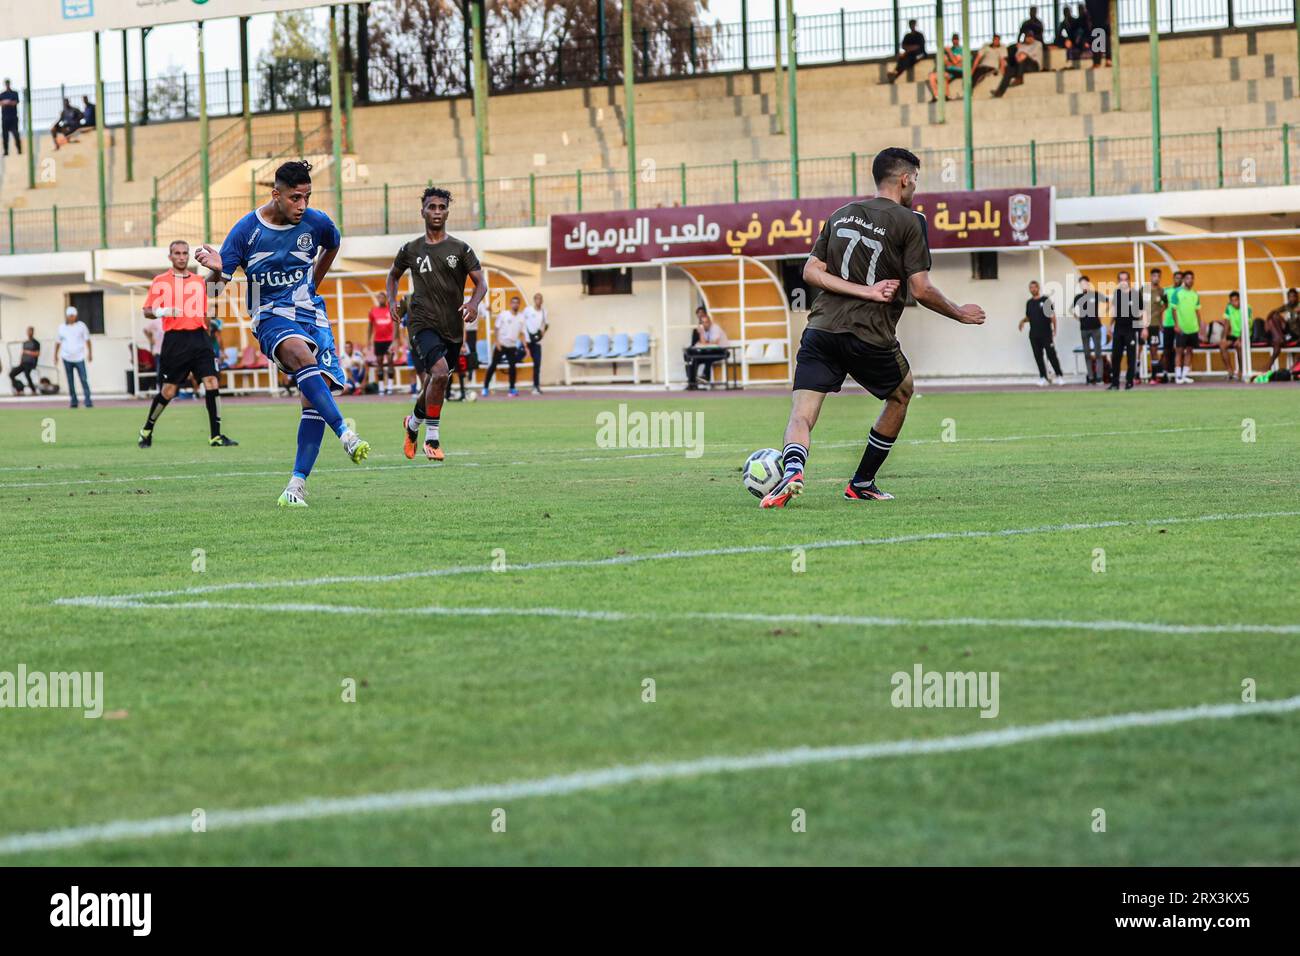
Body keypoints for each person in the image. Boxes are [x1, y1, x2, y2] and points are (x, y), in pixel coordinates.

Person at [761, 147, 985, 509]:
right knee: (901, 394)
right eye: (916, 179)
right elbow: (921, 289)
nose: (916, 185)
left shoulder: (840, 214)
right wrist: (960, 313)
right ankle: (862, 482)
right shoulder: (911, 221)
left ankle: (793, 470)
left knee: (801, 412)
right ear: (905, 179)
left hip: (821, 330)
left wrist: (859, 288)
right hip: (869, 334)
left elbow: (811, 271)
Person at [195, 160, 370, 507]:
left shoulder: (316, 222)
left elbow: (333, 243)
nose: (301, 205)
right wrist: (216, 272)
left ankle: (296, 486)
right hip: (270, 314)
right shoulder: (246, 231)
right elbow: (214, 293)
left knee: (314, 400)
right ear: (276, 194)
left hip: (311, 315)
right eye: (294, 198)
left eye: (306, 196)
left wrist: (313, 283)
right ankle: (346, 435)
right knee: (302, 358)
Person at [386, 186, 486, 461]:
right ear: (423, 212)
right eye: (432, 207)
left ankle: (412, 424)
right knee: (440, 373)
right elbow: (393, 276)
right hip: (421, 322)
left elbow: (481, 283)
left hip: (453, 328)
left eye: (442, 207)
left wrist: (473, 303)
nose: (437, 212)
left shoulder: (460, 249)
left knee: (435, 380)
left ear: (447, 212)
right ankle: (432, 439)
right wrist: (393, 300)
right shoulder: (410, 249)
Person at [137, 240, 237, 448]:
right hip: (175, 341)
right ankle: (147, 429)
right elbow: (147, 310)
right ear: (170, 256)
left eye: (184, 253)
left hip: (200, 338)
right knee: (169, 391)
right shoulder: (160, 281)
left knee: (212, 382)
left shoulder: (198, 280)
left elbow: (215, 289)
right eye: (177, 253)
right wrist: (163, 311)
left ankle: (216, 436)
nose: (181, 257)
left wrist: (217, 270)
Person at [1018, 280, 1065, 386]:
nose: (1033, 289)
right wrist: (1022, 321)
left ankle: (1059, 375)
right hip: (1034, 334)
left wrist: (1055, 329)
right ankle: (1043, 377)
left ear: (1038, 288)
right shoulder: (1029, 303)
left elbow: (1052, 316)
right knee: (1038, 356)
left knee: (1051, 354)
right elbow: (1029, 317)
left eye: (1034, 287)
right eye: (1031, 287)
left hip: (1046, 333)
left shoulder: (1045, 300)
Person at [484, 294, 527, 398]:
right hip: (501, 345)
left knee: (512, 367)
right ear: (510, 304)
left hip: (512, 346)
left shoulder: (521, 317)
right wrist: (497, 342)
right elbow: (496, 328)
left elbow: (522, 333)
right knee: (493, 365)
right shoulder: (504, 314)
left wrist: (526, 347)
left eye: (517, 303)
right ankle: (485, 387)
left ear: (519, 305)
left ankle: (512, 389)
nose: (515, 305)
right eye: (513, 303)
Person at [1108, 270, 1143, 390]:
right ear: (1118, 281)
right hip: (1118, 329)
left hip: (1131, 329)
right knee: (1116, 357)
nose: (1123, 282)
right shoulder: (1116, 293)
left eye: (1125, 279)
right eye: (1121, 280)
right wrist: (1110, 325)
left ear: (1129, 280)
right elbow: (1114, 311)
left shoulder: (1135, 294)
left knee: (1131, 357)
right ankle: (1115, 383)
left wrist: (1143, 329)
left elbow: (1141, 313)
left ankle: (1129, 382)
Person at [53, 306, 93, 408]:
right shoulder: (62, 327)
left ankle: (88, 400)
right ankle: (73, 401)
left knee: (84, 378)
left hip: (79, 357)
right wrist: (55, 355)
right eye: (69, 316)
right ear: (66, 316)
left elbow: (87, 340)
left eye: (72, 315)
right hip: (66, 358)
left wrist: (90, 353)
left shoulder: (81, 326)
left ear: (75, 316)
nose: (71, 317)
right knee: (70, 380)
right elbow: (58, 342)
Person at [682, 306, 728, 389]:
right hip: (711, 351)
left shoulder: (715, 328)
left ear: (710, 322)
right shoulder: (703, 330)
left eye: (706, 322)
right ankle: (692, 383)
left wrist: (704, 343)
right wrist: (701, 333)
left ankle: (705, 377)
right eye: (702, 322)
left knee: (707, 357)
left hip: (722, 351)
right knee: (693, 358)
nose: (704, 324)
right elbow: (703, 343)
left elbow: (715, 344)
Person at [1172, 270, 1202, 384]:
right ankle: (1178, 376)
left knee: (1190, 351)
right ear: (1184, 280)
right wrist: (1176, 325)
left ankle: (1184, 375)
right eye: (1188, 278)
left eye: (1192, 278)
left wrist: (1199, 325)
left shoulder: (1195, 294)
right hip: (1181, 328)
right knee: (1179, 351)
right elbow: (1173, 310)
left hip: (1193, 328)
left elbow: (1198, 311)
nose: (1190, 280)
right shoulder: (1177, 292)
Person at [1072, 275, 1103, 384]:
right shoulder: (1078, 297)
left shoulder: (1095, 294)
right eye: (1081, 284)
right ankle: (1090, 376)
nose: (1083, 285)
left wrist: (1101, 315)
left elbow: (1108, 302)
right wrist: (1078, 318)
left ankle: (1099, 377)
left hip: (1096, 327)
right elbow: (1071, 310)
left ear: (1088, 284)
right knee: (1087, 354)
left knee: (1098, 353)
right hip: (1084, 328)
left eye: (1085, 283)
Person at [992, 31, 1044, 96]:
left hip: (1033, 66)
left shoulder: (1038, 44)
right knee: (1009, 71)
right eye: (1027, 37)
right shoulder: (1022, 46)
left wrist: (1023, 54)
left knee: (1022, 55)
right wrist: (1020, 54)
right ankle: (999, 92)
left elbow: (1031, 54)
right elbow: (1017, 56)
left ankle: (1019, 78)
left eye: (1031, 37)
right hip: (1022, 67)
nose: (1029, 38)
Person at [366, 290, 398, 394]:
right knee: (379, 362)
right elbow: (370, 327)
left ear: (386, 299)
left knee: (390, 361)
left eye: (383, 297)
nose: (381, 299)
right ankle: (381, 387)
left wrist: (395, 341)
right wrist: (368, 341)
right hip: (378, 341)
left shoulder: (391, 310)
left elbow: (395, 325)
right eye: (379, 297)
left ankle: (389, 387)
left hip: (389, 340)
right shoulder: (373, 311)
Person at [1263, 287, 1300, 372]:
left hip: (1296, 333)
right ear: (1288, 298)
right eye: (1290, 297)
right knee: (1275, 316)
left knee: (1278, 344)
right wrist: (1266, 321)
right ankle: (1279, 338)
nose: (1292, 299)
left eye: (1294, 296)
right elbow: (1273, 311)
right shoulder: (1287, 306)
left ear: (1297, 297)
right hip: (1288, 331)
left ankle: (1269, 364)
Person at [1219, 291, 1251, 381]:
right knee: (1222, 345)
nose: (1234, 302)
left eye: (1236, 300)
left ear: (1240, 300)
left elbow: (1246, 324)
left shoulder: (1247, 308)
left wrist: (1240, 339)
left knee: (1239, 345)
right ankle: (1230, 371)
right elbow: (1227, 323)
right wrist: (1224, 337)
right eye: (1232, 301)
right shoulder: (1228, 308)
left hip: (1245, 334)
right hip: (1233, 334)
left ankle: (1241, 371)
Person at [523, 291, 548, 395]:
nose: (539, 301)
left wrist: (543, 332)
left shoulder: (544, 312)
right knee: (515, 360)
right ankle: (512, 386)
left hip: (537, 342)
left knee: (537, 364)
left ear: (542, 301)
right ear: (534, 300)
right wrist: (523, 340)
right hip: (526, 341)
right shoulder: (528, 310)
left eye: (540, 299)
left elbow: (546, 324)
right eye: (537, 298)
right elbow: (522, 322)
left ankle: (536, 386)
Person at [926, 34, 964, 103]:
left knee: (943, 75)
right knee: (931, 75)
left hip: (956, 71)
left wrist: (949, 53)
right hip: (948, 70)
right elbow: (946, 62)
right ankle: (936, 96)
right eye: (954, 39)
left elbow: (956, 63)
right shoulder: (950, 49)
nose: (955, 41)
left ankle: (947, 95)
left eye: (956, 39)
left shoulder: (961, 50)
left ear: (959, 40)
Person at [8, 326, 38, 394]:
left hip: (30, 363)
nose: (29, 333)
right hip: (23, 363)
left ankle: (33, 390)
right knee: (11, 374)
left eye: (30, 331)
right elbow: (23, 353)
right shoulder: (25, 343)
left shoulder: (36, 343)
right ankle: (19, 388)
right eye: (28, 331)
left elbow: (37, 353)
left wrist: (28, 352)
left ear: (33, 332)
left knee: (27, 374)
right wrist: (21, 360)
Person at [0, 80, 21, 157]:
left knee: (16, 134)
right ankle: (6, 151)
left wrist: (8, 102)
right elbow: (1, 103)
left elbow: (16, 102)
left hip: (13, 117)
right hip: (5, 118)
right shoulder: (2, 94)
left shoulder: (14, 93)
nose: (7, 85)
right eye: (6, 84)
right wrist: (5, 102)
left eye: (8, 83)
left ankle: (19, 149)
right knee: (5, 136)